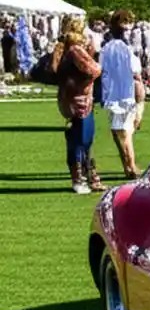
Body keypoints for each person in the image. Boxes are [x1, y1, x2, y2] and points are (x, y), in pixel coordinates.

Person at [53, 17, 102, 194]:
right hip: (80, 99)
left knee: (80, 139)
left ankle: (87, 177)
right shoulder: (75, 50)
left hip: (70, 97)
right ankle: (81, 179)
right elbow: (94, 69)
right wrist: (95, 58)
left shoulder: (64, 48)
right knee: (82, 139)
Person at [99, 10, 145, 179]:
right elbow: (136, 72)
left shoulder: (105, 49)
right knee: (125, 132)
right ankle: (131, 167)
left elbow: (101, 69)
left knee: (118, 132)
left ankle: (127, 165)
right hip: (125, 93)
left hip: (111, 93)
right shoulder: (126, 49)